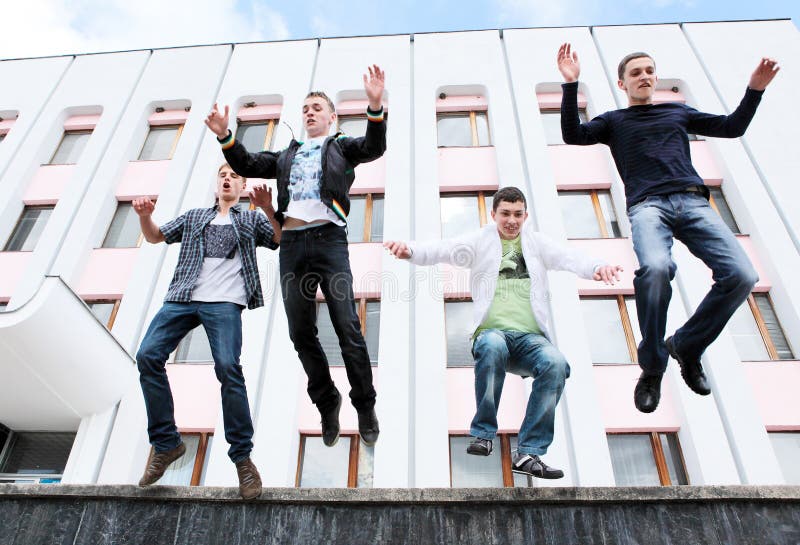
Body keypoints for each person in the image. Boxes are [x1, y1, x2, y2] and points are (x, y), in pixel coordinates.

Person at [556, 43, 779, 413]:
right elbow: (573, 135)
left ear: (655, 78)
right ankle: (653, 364)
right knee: (657, 270)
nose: (643, 77)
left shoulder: (677, 112)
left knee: (742, 274)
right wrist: (570, 85)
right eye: (635, 73)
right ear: (622, 83)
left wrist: (755, 89)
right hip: (647, 207)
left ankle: (687, 346)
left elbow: (732, 127)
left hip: (692, 202)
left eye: (649, 71)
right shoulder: (613, 121)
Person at [204, 66, 387, 448]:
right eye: (305, 108)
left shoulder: (341, 147)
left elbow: (374, 147)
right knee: (300, 332)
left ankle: (365, 405)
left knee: (347, 327)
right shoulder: (287, 155)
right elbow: (248, 164)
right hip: (292, 245)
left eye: (317, 107)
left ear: (332, 116)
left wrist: (374, 105)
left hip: (329, 242)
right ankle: (327, 401)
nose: (310, 112)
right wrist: (225, 134)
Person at [384, 187, 622, 479]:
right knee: (493, 345)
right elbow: (445, 249)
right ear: (493, 214)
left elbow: (568, 257)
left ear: (525, 215)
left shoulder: (536, 244)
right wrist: (411, 251)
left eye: (518, 214)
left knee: (556, 364)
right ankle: (484, 433)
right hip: (492, 333)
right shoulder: (480, 241)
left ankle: (528, 452)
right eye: (505, 214)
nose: (512, 220)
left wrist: (597, 267)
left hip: (530, 340)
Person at [133, 163, 279, 499]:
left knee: (229, 368)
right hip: (182, 298)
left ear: (242, 186)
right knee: (147, 356)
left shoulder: (251, 218)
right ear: (217, 183)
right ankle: (166, 444)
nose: (227, 179)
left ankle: (243, 459)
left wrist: (269, 208)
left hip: (225, 302)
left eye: (234, 177)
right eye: (223, 175)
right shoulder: (195, 216)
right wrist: (144, 215)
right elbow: (156, 236)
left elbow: (278, 238)